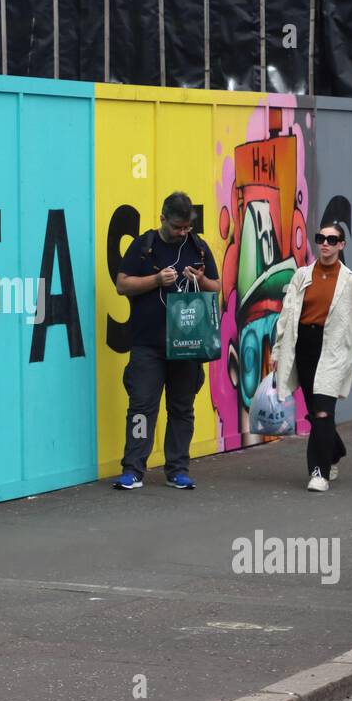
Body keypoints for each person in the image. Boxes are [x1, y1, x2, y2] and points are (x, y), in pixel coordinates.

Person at [113, 192, 221, 490]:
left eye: (187, 227)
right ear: (162, 218)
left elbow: (216, 286)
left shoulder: (198, 248)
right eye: (177, 227)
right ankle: (133, 470)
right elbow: (122, 284)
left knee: (182, 407)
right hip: (147, 344)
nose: (183, 233)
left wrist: (199, 280)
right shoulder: (144, 246)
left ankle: (177, 470)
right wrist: (157, 280)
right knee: (141, 407)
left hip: (187, 345)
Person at [270, 223, 352, 492]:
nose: (325, 244)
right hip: (305, 347)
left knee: (322, 410)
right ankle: (335, 449)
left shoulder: (350, 281)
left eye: (332, 239)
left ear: (342, 245)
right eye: (321, 239)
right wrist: (278, 352)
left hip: (334, 352)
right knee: (316, 414)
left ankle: (319, 472)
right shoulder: (302, 275)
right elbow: (287, 316)